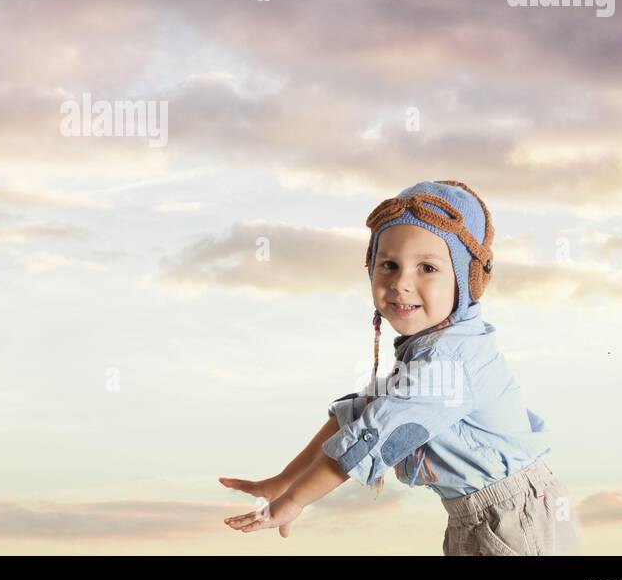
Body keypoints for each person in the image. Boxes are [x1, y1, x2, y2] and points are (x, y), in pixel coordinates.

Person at [220, 180, 581, 555]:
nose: (401, 283)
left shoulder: (449, 361)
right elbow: (360, 415)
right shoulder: (429, 347)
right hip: (479, 513)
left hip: (512, 519)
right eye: (388, 265)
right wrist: (283, 481)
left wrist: (294, 501)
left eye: (427, 267)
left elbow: (374, 435)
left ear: (469, 279)